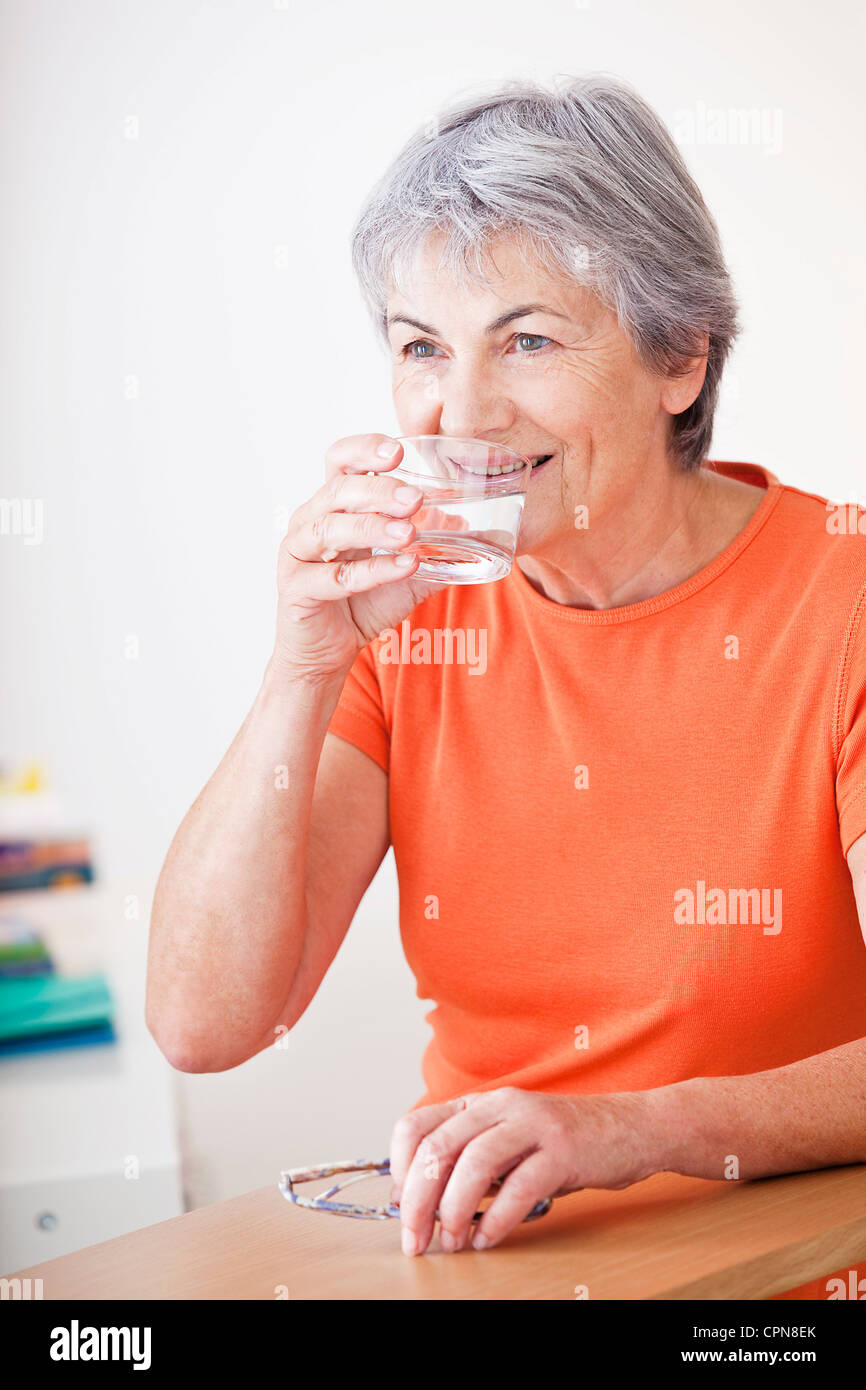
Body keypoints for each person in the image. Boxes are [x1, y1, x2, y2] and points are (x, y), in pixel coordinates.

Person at [146, 76, 866, 1283]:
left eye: (525, 340)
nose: (462, 413)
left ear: (677, 357)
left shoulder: (838, 597)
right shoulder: (406, 621)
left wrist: (634, 1131)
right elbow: (203, 1025)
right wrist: (300, 663)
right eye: (422, 347)